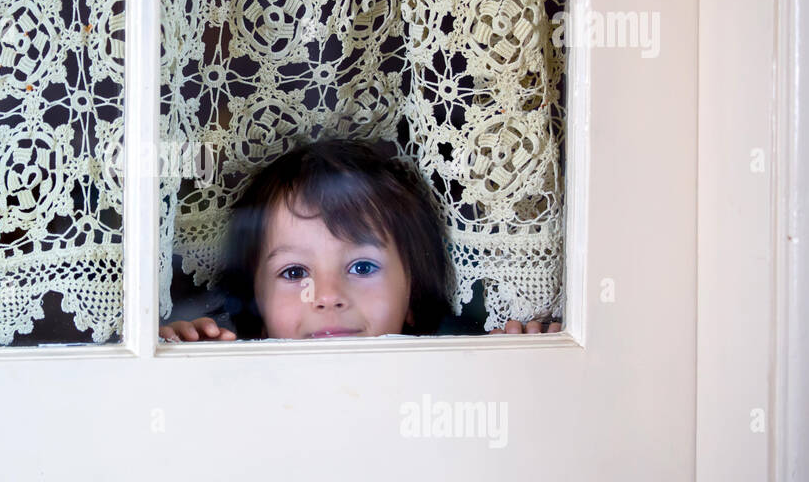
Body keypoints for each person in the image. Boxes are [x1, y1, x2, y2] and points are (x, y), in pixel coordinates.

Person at [158, 137, 561, 342]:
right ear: (257, 308)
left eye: (363, 266)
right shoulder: (238, 392)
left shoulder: (447, 387)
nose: (328, 295)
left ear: (412, 298)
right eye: (295, 271)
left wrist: (522, 371)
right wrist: (178, 361)